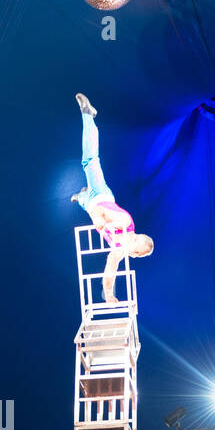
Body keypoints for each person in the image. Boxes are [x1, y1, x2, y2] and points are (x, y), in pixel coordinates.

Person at [71, 92, 153, 303]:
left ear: (133, 254)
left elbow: (110, 271)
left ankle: (80, 196)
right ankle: (88, 114)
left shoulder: (119, 251)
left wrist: (109, 295)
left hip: (89, 202)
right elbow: (102, 213)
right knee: (89, 161)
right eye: (135, 239)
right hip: (101, 195)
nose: (130, 243)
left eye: (133, 249)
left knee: (82, 200)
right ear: (135, 235)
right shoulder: (126, 224)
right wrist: (99, 219)